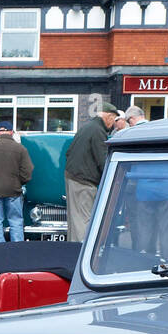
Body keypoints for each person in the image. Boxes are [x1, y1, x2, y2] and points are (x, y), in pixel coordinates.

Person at [64, 101, 121, 242]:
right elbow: (102, 161)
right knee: (84, 220)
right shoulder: (98, 131)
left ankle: (72, 250)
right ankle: (80, 254)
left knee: (74, 219)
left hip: (73, 177)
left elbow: (68, 152)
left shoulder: (87, 127)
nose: (113, 123)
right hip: (84, 181)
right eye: (113, 119)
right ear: (108, 116)